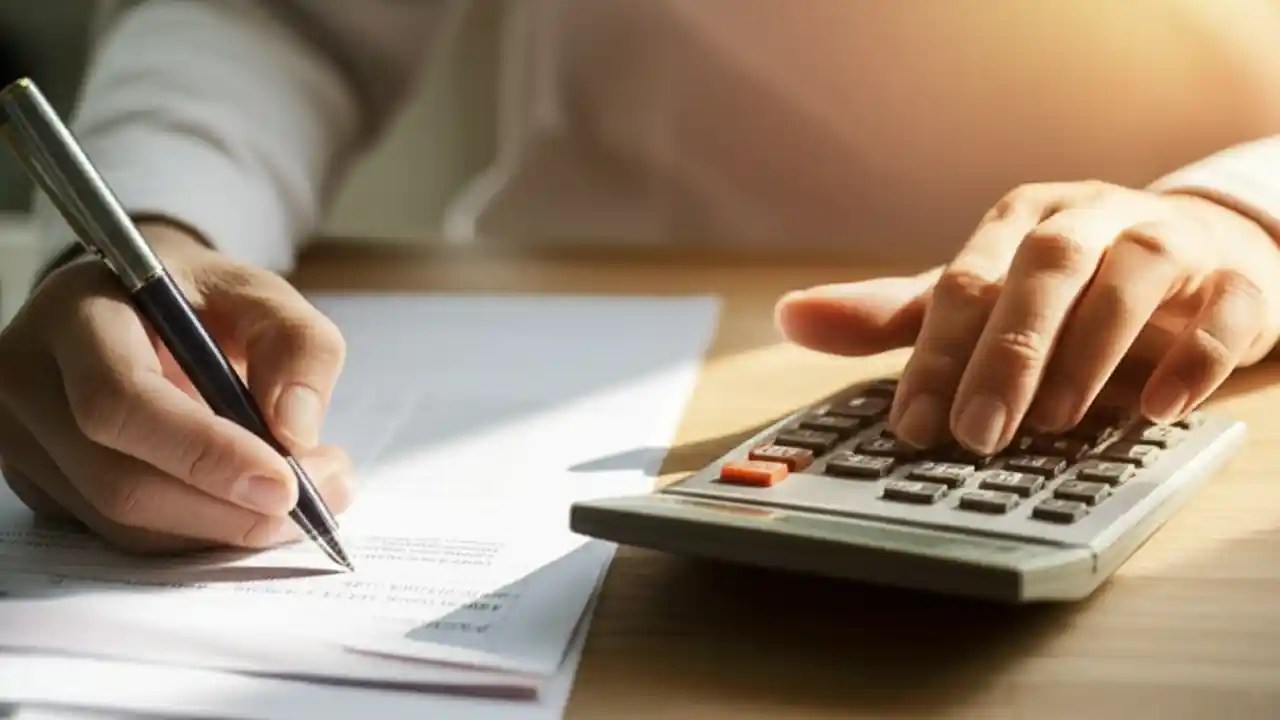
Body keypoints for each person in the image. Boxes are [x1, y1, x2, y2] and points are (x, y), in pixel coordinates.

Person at [1, 0, 1278, 554]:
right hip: (576, 307)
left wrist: (1240, 211)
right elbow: (277, 16)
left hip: (1168, 361)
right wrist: (155, 230)